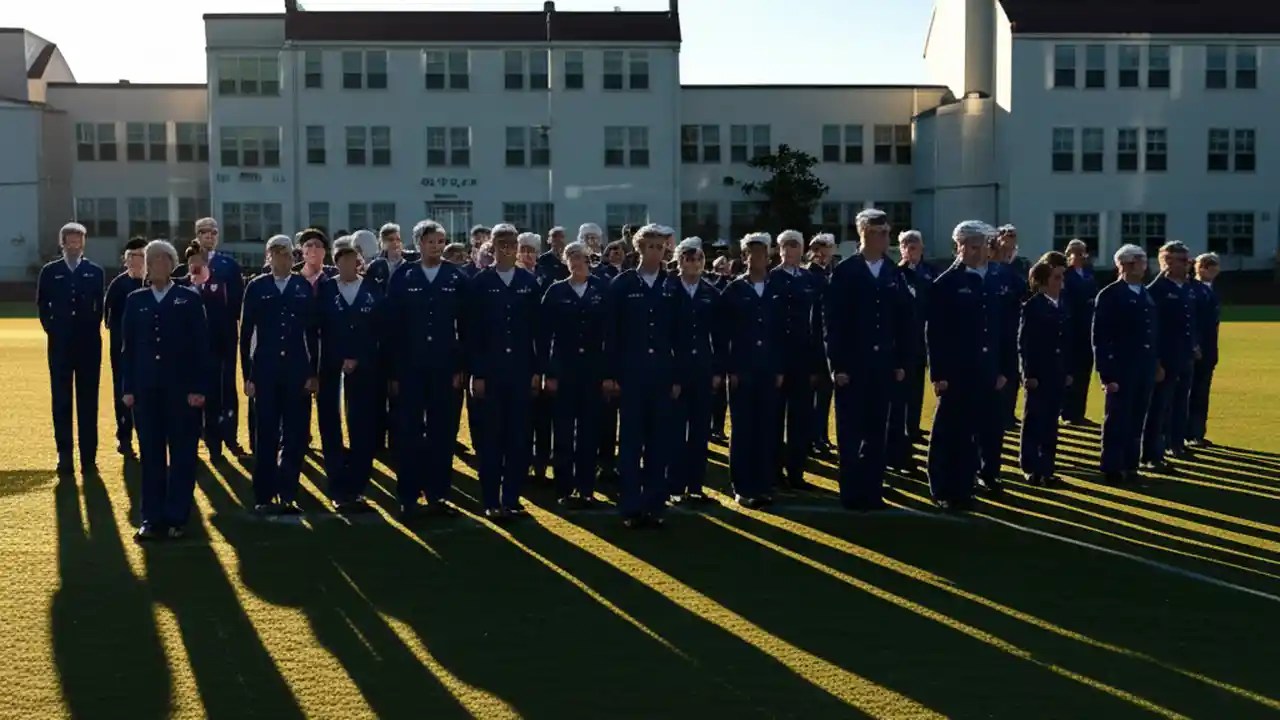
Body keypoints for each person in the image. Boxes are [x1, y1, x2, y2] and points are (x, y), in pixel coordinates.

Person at [119, 240, 209, 540]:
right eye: (151, 259)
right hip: (147, 390)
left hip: (181, 390)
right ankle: (150, 517)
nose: (157, 263)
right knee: (151, 456)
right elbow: (127, 349)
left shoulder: (189, 299)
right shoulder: (136, 300)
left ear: (172, 264)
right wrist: (128, 388)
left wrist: (198, 388)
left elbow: (201, 348)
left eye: (163, 258)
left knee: (182, 455)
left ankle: (176, 516)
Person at [825, 210, 911, 510]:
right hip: (853, 364)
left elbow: (902, 320)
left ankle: (873, 489)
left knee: (878, 430)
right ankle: (851, 491)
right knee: (850, 430)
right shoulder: (846, 271)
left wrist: (900, 361)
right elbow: (833, 323)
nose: (887, 238)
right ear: (865, 233)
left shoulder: (892, 271)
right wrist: (836, 366)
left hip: (883, 363)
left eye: (888, 232)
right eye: (881, 232)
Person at [385, 220, 468, 518]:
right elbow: (391, 327)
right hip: (410, 367)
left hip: (444, 368)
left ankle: (438, 494)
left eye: (441, 241)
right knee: (408, 432)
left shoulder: (456, 277)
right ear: (418, 242)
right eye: (431, 241)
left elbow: (466, 327)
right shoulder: (403, 275)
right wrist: (393, 372)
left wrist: (461, 367)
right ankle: (408, 495)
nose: (437, 246)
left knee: (442, 432)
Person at [926, 221, 1012, 512]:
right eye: (971, 246)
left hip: (985, 370)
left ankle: (964, 486)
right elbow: (935, 333)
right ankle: (942, 488)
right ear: (958, 247)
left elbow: (1000, 330)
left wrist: (1002, 369)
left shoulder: (992, 279)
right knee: (949, 432)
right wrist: (939, 374)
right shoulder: (946, 283)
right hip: (956, 372)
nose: (978, 252)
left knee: (975, 431)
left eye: (982, 246)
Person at [603, 223, 683, 527]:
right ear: (638, 249)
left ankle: (655, 505)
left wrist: (677, 377)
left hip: (662, 374)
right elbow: (611, 334)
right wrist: (610, 375)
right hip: (631, 374)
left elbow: (679, 335)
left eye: (660, 246)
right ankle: (630, 506)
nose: (655, 251)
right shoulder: (622, 284)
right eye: (649, 246)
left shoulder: (672, 286)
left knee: (659, 442)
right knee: (631, 442)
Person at [240, 235, 320, 514]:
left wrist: (313, 373)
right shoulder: (256, 287)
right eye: (275, 254)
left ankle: (287, 492)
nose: (281, 259)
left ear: (293, 257)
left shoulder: (302, 287)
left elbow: (312, 334)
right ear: (268, 257)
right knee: (266, 434)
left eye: (285, 254)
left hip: (297, 371)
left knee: (296, 435)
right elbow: (246, 334)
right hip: (265, 371)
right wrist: (247, 376)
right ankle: (263, 493)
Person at [467, 224, 541, 520]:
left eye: (513, 244)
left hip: (521, 371)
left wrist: (537, 370)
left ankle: (511, 497)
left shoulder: (528, 282)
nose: (508, 249)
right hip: (492, 371)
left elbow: (538, 331)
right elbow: (472, 332)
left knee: (518, 437)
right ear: (492, 247)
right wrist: (478, 373)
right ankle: (490, 499)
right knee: (491, 439)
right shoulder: (480, 282)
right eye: (502, 244)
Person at [317, 237, 384, 513]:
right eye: (341, 260)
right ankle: (338, 488)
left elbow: (380, 331)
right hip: (332, 371)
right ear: (335, 264)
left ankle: (357, 488)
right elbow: (319, 330)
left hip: (366, 371)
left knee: (363, 429)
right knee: (332, 428)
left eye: (351, 259)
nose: (347, 264)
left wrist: (359, 358)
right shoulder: (325, 290)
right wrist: (339, 359)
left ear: (358, 262)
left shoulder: (373, 289)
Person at [539, 240, 608, 507]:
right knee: (564, 432)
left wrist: (607, 373)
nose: (578, 262)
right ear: (566, 262)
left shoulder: (602, 290)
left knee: (590, 432)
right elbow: (544, 337)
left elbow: (610, 335)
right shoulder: (556, 292)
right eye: (572, 258)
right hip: (564, 370)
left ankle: (587, 487)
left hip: (592, 371)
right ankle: (565, 488)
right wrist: (548, 372)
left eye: (582, 257)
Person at [719, 232, 785, 508]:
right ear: (743, 256)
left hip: (769, 368)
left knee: (767, 428)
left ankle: (764, 483)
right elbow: (722, 335)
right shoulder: (734, 290)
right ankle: (743, 486)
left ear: (768, 255)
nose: (755, 258)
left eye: (760, 252)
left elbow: (783, 332)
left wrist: (780, 367)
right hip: (742, 370)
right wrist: (729, 369)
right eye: (750, 253)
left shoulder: (777, 287)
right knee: (743, 428)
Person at [37, 222, 105, 474]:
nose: (74, 244)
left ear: (83, 243)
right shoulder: (50, 271)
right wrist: (53, 329)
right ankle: (64, 456)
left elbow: (99, 305)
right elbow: (42, 305)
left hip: (88, 345)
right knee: (62, 401)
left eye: (79, 240)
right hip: (60, 345)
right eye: (70, 240)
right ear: (62, 242)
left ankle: (89, 458)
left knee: (88, 401)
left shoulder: (95, 271)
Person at [1093, 244, 1158, 487]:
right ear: (1126, 264)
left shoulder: (1144, 292)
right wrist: (1106, 374)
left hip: (1144, 367)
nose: (1144, 265)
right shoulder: (1110, 295)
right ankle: (1112, 466)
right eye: (1140, 261)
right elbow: (1101, 337)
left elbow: (1152, 332)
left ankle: (1131, 465)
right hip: (1121, 368)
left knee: (1136, 419)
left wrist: (1156, 362)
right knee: (1117, 420)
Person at [767, 230, 824, 492]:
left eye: (793, 247)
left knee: (800, 419)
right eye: (784, 247)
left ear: (801, 250)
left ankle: (796, 472)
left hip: (803, 357)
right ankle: (774, 471)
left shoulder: (811, 279)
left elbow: (818, 325)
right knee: (775, 419)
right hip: (778, 357)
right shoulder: (770, 278)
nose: (789, 252)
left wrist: (815, 364)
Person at [667, 237, 721, 504]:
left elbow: (720, 337)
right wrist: (673, 376)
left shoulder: (711, 293)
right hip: (677, 371)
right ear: (679, 262)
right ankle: (675, 487)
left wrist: (717, 371)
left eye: (698, 258)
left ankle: (696, 486)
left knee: (700, 432)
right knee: (675, 433)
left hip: (702, 369)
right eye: (688, 258)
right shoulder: (668, 290)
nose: (694, 263)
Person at [191, 217, 247, 457]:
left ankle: (230, 435)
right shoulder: (187, 264)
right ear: (197, 236)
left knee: (226, 386)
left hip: (224, 335)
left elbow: (237, 302)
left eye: (213, 232)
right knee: (203, 388)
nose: (209, 236)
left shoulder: (228, 265)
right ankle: (210, 439)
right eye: (204, 232)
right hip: (196, 338)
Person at [1142, 241, 1199, 470]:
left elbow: (1190, 320)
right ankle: (1152, 454)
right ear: (1166, 261)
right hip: (1165, 357)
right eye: (1182, 260)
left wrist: (1193, 345)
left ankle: (1176, 443)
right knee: (1158, 407)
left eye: (1188, 260)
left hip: (1184, 355)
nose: (1187, 265)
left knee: (1180, 402)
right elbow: (1153, 329)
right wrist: (1155, 361)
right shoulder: (1157, 290)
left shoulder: (1186, 287)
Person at [177, 240, 234, 458]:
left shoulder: (218, 287)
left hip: (213, 354)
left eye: (199, 260)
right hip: (186, 358)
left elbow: (225, 320)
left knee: (213, 402)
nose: (195, 265)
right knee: (188, 405)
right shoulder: (181, 287)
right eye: (191, 261)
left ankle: (215, 447)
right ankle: (189, 448)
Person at [1018, 257, 1072, 487]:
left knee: (1051, 423)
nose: (1061, 282)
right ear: (1042, 282)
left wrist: (1068, 370)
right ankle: (1031, 467)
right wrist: (1028, 373)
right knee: (1034, 421)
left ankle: (1047, 467)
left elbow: (1067, 341)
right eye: (1056, 278)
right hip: (1038, 374)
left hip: (1056, 372)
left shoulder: (1062, 305)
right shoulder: (1033, 307)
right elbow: (1025, 343)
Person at [887, 229, 935, 474]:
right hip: (900, 346)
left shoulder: (929, 272)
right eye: (907, 245)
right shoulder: (896, 274)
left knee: (917, 391)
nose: (911, 249)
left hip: (921, 343)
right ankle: (899, 444)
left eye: (915, 245)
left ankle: (913, 430)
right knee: (900, 398)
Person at [104, 237, 147, 457]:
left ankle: (148, 438)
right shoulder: (118, 285)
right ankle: (124, 437)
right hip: (122, 349)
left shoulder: (153, 283)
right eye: (131, 256)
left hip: (149, 350)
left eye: (140, 256)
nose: (136, 261)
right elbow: (108, 319)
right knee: (123, 392)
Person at [1061, 239, 1098, 425]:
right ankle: (1068, 412)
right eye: (1075, 253)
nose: (1079, 256)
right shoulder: (1066, 275)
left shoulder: (1089, 274)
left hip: (1087, 327)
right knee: (1071, 371)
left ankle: (1079, 411)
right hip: (1073, 327)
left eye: (1082, 252)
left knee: (1085, 371)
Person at [992, 225, 1026, 430]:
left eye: (1013, 236)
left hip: (1016, 325)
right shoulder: (993, 264)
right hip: (997, 325)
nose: (1010, 240)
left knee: (1013, 371)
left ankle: (1009, 413)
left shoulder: (1018, 264)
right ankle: (998, 414)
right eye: (1006, 236)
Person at [806, 233, 837, 456]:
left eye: (827, 249)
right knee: (813, 397)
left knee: (825, 396)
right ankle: (813, 438)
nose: (824, 254)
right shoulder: (810, 276)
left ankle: (821, 435)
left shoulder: (829, 274)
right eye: (820, 249)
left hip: (828, 344)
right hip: (814, 345)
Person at [1187, 253, 1221, 447]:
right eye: (1210, 266)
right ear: (1200, 268)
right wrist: (1194, 344)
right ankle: (1187, 433)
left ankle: (1198, 432)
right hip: (1195, 349)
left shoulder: (1212, 290)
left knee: (1202, 393)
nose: (1215, 271)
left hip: (1209, 349)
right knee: (1191, 393)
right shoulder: (1192, 290)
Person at [708, 254, 735, 443]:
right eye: (720, 265)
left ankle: (718, 427)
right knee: (715, 390)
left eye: (726, 265)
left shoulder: (735, 285)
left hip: (730, 343)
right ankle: (712, 428)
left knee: (723, 393)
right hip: (715, 344)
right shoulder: (714, 287)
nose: (724, 268)